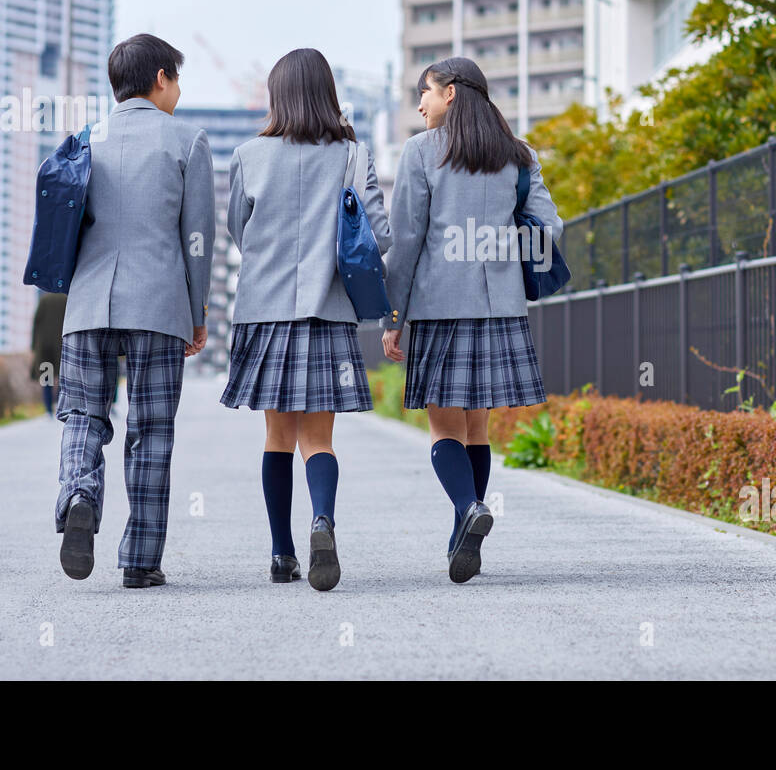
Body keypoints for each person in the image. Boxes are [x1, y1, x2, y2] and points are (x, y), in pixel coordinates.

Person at [381, 56, 562, 583]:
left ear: (452, 93)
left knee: (442, 427)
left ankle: (468, 509)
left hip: (441, 306)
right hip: (500, 307)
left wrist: (394, 315)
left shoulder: (420, 152)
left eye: (426, 92)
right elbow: (549, 225)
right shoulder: (517, 155)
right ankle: (469, 522)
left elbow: (407, 241)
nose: (421, 104)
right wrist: (503, 253)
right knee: (477, 425)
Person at [219, 48, 391, 592]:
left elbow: (236, 231)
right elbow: (378, 234)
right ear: (327, 93)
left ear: (277, 95)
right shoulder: (351, 155)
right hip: (328, 311)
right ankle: (323, 520)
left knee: (276, 437)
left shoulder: (248, 155)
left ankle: (281, 553)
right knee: (319, 440)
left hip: (265, 314)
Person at [54, 33, 215, 589]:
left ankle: (78, 494)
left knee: (83, 414)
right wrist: (197, 312)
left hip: (87, 304)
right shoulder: (187, 140)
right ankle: (140, 560)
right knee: (151, 430)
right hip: (158, 304)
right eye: (178, 78)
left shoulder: (83, 140)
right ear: (161, 79)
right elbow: (197, 238)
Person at [31, 291, 67, 415]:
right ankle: (60, 405)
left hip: (44, 346)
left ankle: (48, 408)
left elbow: (36, 323)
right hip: (62, 344)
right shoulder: (66, 299)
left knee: (47, 377)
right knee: (63, 376)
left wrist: (33, 345)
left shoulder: (44, 300)